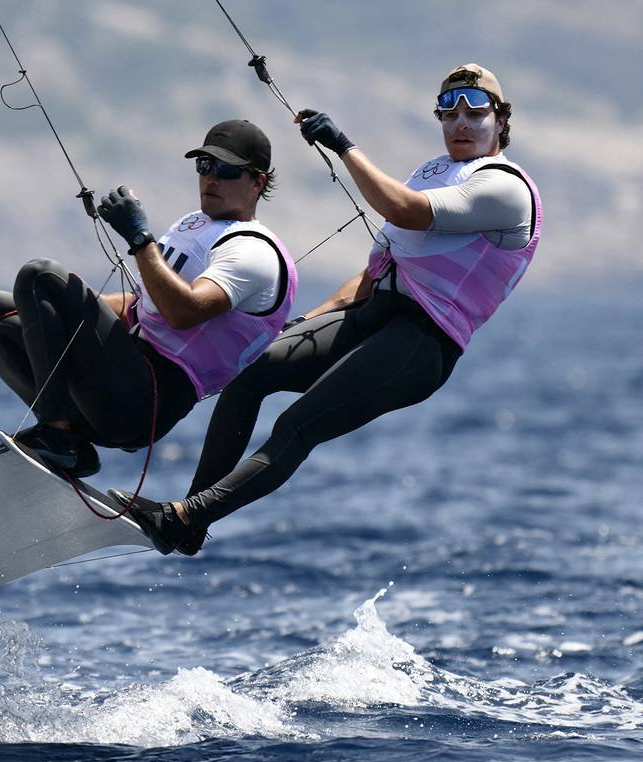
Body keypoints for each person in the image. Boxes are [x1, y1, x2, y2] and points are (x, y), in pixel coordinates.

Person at [110, 64, 542, 555]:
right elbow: (375, 269)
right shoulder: (435, 172)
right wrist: (307, 322)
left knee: (298, 423)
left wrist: (343, 146)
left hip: (422, 342)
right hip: (371, 314)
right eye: (448, 110)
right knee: (251, 372)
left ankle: (186, 517)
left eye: (475, 111)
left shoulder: (507, 187)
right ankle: (189, 518)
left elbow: (404, 210)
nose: (460, 122)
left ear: (501, 119)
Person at [0, 119, 297, 478]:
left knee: (40, 274)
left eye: (226, 169)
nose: (211, 177)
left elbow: (183, 313)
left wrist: (141, 240)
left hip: (147, 399)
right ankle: (70, 441)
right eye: (204, 165)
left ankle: (57, 438)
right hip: (117, 376)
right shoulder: (194, 224)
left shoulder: (254, 251)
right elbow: (142, 304)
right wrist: (53, 309)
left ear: (258, 182)